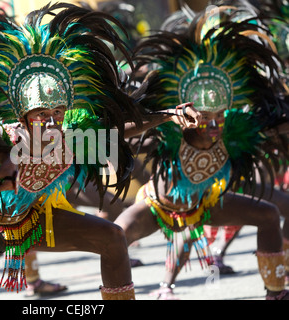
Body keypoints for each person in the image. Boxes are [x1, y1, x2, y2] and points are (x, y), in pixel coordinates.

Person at [0, 2, 200, 300]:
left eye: (58, 112)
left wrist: (167, 115)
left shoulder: (66, 139)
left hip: (32, 219)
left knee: (112, 237)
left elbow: (112, 133)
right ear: (22, 115)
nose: (51, 120)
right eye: (41, 113)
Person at [114, 6, 289, 300]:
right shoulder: (169, 130)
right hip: (158, 206)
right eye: (204, 117)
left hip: (206, 201)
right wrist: (167, 115)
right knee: (115, 235)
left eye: (219, 116)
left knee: (269, 214)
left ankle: (276, 291)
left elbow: (275, 126)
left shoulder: (235, 130)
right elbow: (123, 129)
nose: (212, 124)